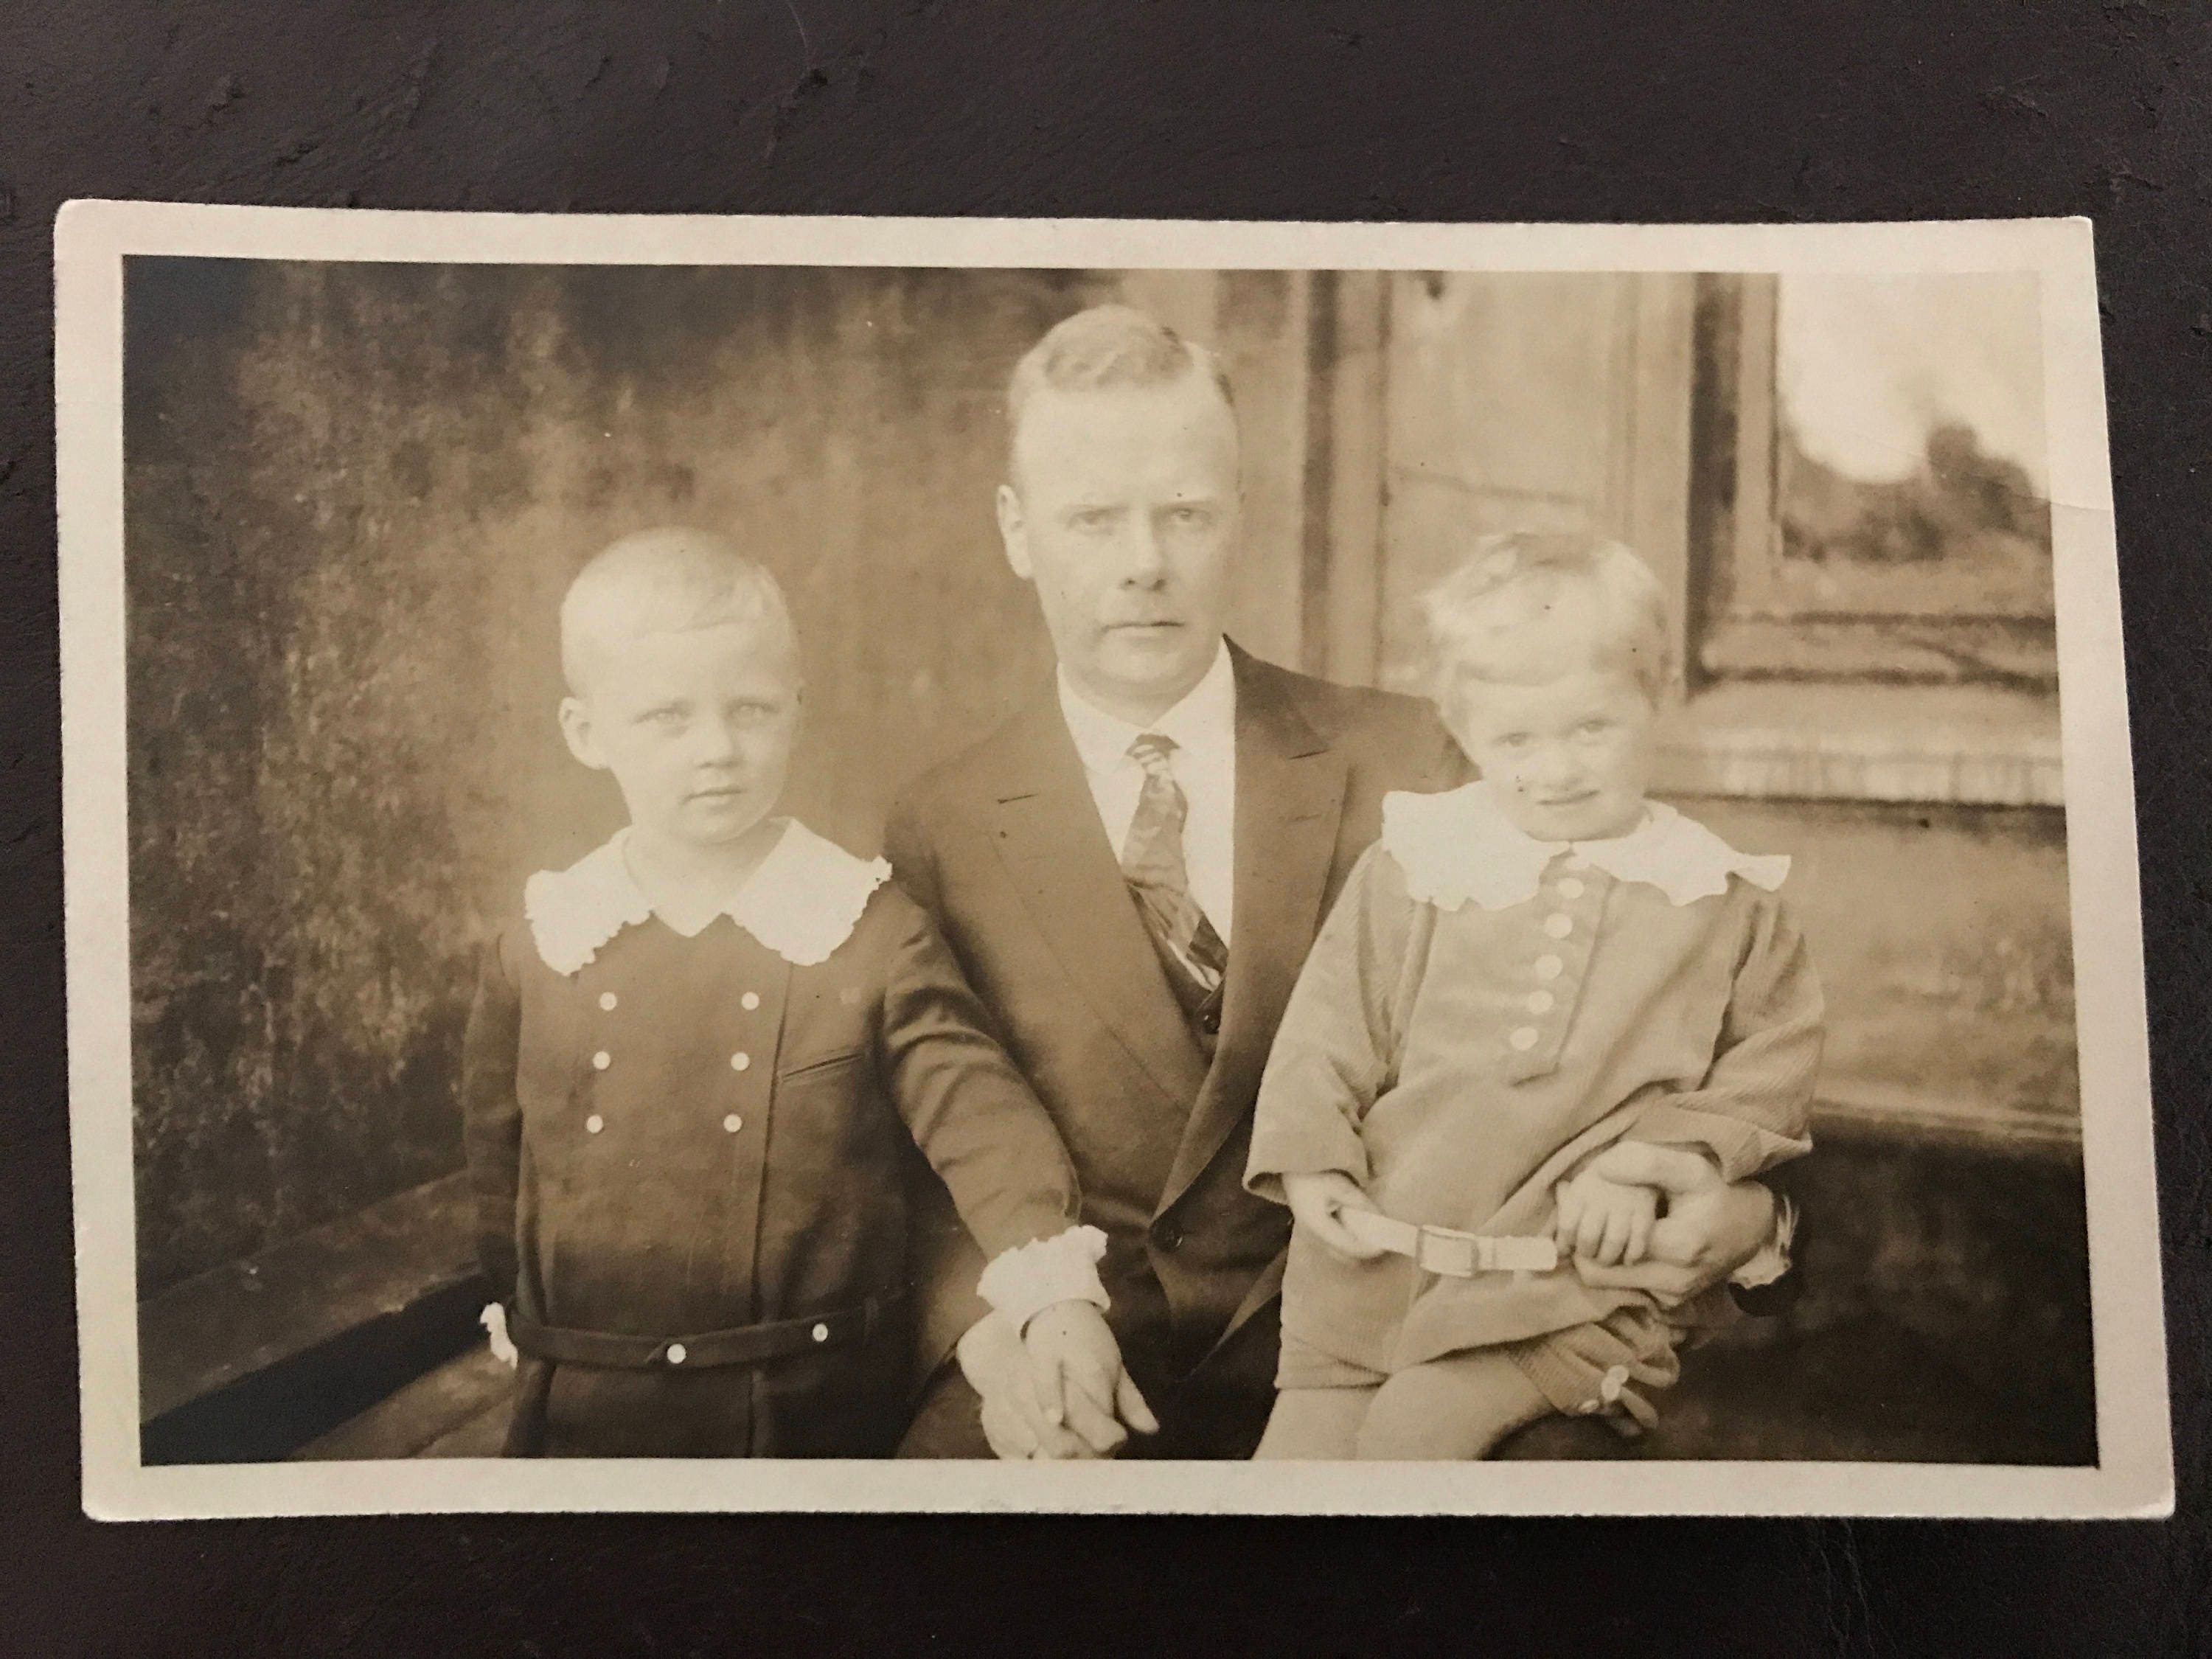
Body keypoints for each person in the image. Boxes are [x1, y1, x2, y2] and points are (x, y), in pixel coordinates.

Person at [889, 306, 1795, 1461]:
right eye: (1092, 518)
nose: (1144, 562)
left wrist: (1754, 1218)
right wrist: (1003, 1329)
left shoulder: (1423, 759)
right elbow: (929, 1141)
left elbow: (1671, 1014)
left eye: (1185, 512)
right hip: (1094, 1341)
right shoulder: (946, 820)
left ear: (1241, 516)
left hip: (1409, 1329)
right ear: (1018, 531)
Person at [462, 527, 1130, 1458]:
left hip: (808, 1412)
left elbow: (983, 1123)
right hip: (585, 1411)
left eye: (751, 709)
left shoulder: (865, 928)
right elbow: (500, 1171)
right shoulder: (548, 941)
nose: (717, 749)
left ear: (797, 711)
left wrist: (1052, 1297)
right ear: (587, 734)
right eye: (667, 717)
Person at [1245, 532, 1820, 1458]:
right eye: (1516, 740)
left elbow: (1771, 1070)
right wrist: (1313, 1162)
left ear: (1659, 694)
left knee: (1407, 1443)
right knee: (1289, 1476)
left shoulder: (1720, 897)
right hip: (1376, 1264)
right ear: (1462, 728)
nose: (1556, 771)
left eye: (1591, 729)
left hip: (1567, 1290)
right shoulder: (1417, 865)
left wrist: (1656, 1162)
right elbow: (1327, 1032)